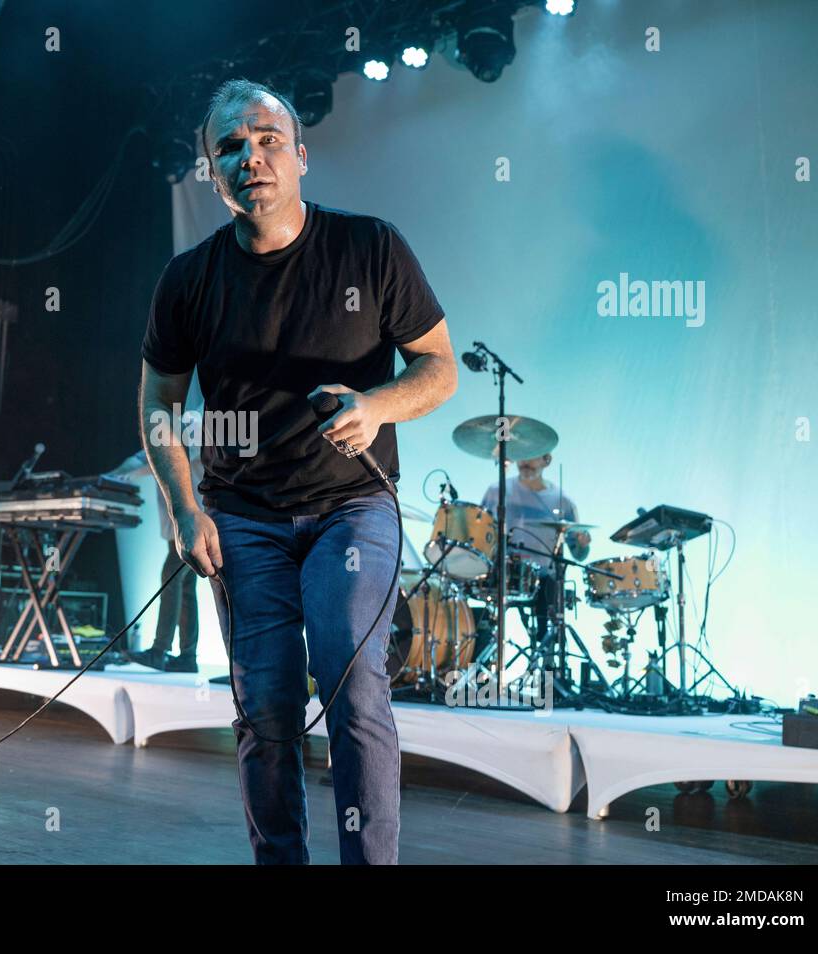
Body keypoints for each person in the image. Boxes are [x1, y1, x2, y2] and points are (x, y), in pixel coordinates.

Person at [138, 79, 457, 864]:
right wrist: (184, 512)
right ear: (214, 175)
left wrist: (378, 404)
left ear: (301, 156)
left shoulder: (370, 247)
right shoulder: (188, 280)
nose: (252, 157)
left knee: (351, 679)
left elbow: (440, 369)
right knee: (267, 707)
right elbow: (158, 410)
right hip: (241, 515)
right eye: (232, 149)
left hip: (353, 505)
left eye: (267, 139)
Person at [106, 410, 206, 672]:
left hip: (193, 523)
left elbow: (173, 458)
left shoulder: (192, 423)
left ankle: (160, 651)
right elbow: (139, 459)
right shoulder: (165, 432)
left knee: (170, 581)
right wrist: (110, 478)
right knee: (184, 589)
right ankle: (187, 657)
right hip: (178, 528)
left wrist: (130, 471)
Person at [480, 454, 590, 642]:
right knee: (482, 623)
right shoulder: (497, 491)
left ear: (546, 460)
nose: (525, 461)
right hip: (503, 573)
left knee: (550, 612)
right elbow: (481, 534)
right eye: (522, 455)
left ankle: (545, 664)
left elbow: (579, 555)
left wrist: (582, 544)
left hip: (544, 578)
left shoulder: (562, 501)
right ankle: (481, 662)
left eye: (532, 456)